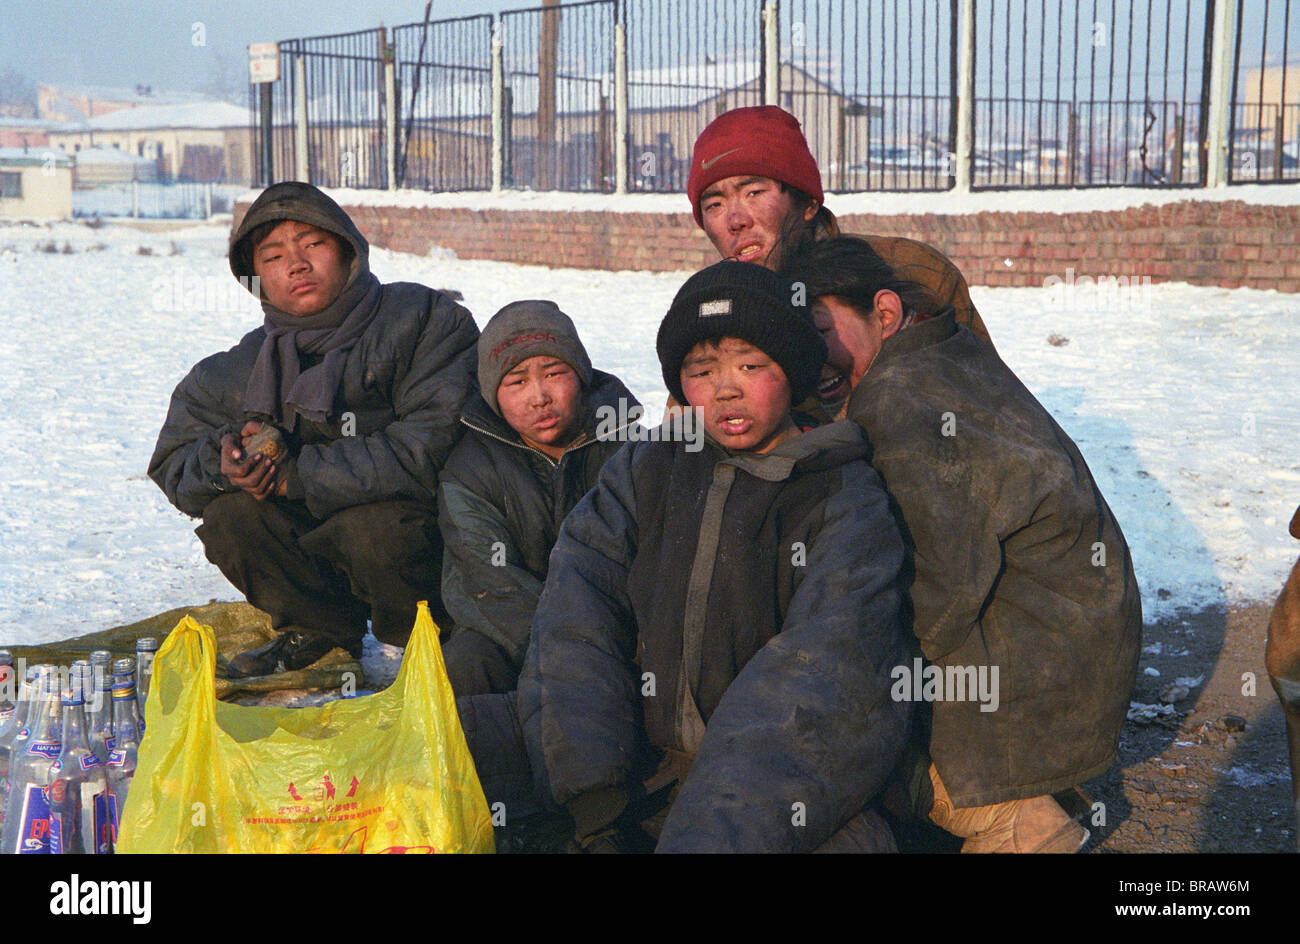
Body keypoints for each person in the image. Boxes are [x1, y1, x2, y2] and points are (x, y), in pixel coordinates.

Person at [515, 260, 911, 853]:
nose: (727, 388)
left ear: (794, 371)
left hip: (764, 788)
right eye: (702, 370)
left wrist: (706, 833)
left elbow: (825, 677)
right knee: (444, 748)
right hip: (638, 764)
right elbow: (576, 614)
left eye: (751, 365)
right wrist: (593, 797)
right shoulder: (645, 469)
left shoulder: (843, 497)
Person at [787, 235, 1143, 853]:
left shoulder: (897, 396)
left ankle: (1017, 816)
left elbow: (937, 591)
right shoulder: (945, 350)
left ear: (886, 314)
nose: (810, 356)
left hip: (1039, 673)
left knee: (837, 727)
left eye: (822, 330)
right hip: (1078, 648)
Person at [148, 181, 479, 676]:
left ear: (349, 250)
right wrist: (225, 468)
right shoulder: (238, 369)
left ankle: (412, 641)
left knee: (375, 529)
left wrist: (297, 476)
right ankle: (319, 632)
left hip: (421, 548)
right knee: (234, 515)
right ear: (255, 277)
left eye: (313, 243)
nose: (296, 264)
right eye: (274, 255)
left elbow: (431, 445)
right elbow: (172, 462)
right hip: (316, 548)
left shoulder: (425, 321)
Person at [437, 300, 641, 696]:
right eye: (517, 382)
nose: (539, 397)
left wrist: (611, 642)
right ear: (493, 393)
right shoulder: (469, 470)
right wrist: (569, 654)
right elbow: (492, 582)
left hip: (614, 626)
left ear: (581, 376)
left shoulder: (629, 448)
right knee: (465, 666)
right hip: (511, 628)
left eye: (554, 373)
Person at [686, 104, 993, 348]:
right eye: (714, 205)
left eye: (754, 193)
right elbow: (685, 424)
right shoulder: (714, 312)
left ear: (807, 205)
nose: (736, 220)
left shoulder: (912, 272)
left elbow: (989, 406)